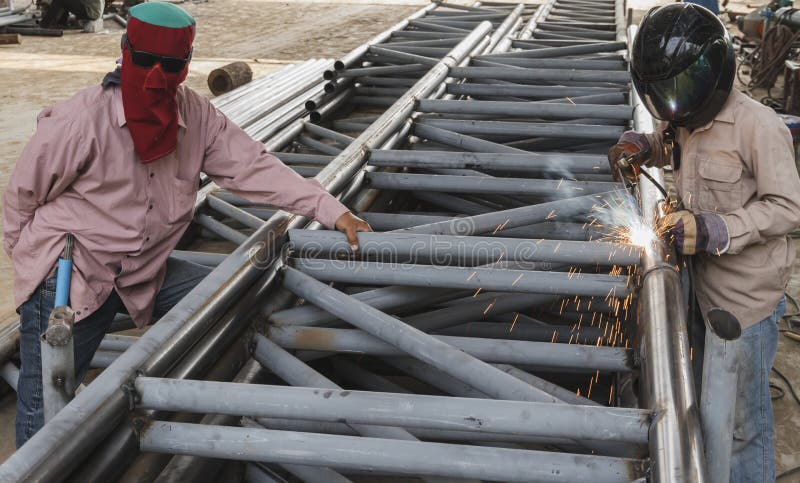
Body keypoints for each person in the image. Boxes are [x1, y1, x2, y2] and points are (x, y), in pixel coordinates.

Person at [3, 1, 371, 447]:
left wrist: (330, 209)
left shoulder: (196, 117)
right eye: (145, 61)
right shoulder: (80, 121)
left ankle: (210, 404)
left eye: (171, 65)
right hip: (73, 275)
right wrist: (33, 273)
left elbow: (253, 167)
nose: (156, 78)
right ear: (125, 52)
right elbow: (21, 198)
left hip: (144, 271)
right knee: (47, 403)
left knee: (236, 294)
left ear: (187, 62)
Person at [609, 4, 800, 481]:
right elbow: (672, 144)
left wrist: (717, 229)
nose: (673, 107)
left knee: (742, 425)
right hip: (698, 287)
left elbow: (788, 207)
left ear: (710, 73)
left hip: (745, 303)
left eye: (679, 91)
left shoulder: (759, 126)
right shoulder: (684, 113)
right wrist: (643, 147)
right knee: (705, 397)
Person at [39, 0, 104, 31]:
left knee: (60, 1)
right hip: (95, 11)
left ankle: (44, 24)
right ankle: (61, 23)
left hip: (91, 12)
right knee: (65, 2)